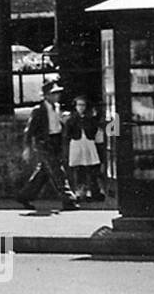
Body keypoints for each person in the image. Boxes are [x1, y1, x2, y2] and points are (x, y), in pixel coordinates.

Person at [16, 80, 78, 209]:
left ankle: (25, 196)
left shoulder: (57, 108)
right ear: (46, 95)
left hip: (56, 141)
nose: (57, 96)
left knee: (44, 172)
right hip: (44, 143)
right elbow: (30, 130)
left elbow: (57, 125)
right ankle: (69, 200)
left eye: (57, 93)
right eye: (54, 94)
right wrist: (27, 147)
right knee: (57, 171)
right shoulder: (39, 110)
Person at [64, 95, 103, 200]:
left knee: (90, 167)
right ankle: (78, 191)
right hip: (76, 143)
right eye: (79, 105)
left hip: (88, 143)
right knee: (77, 168)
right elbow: (67, 133)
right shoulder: (71, 119)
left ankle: (90, 190)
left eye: (83, 105)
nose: (81, 107)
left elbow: (94, 129)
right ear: (75, 106)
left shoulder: (89, 119)